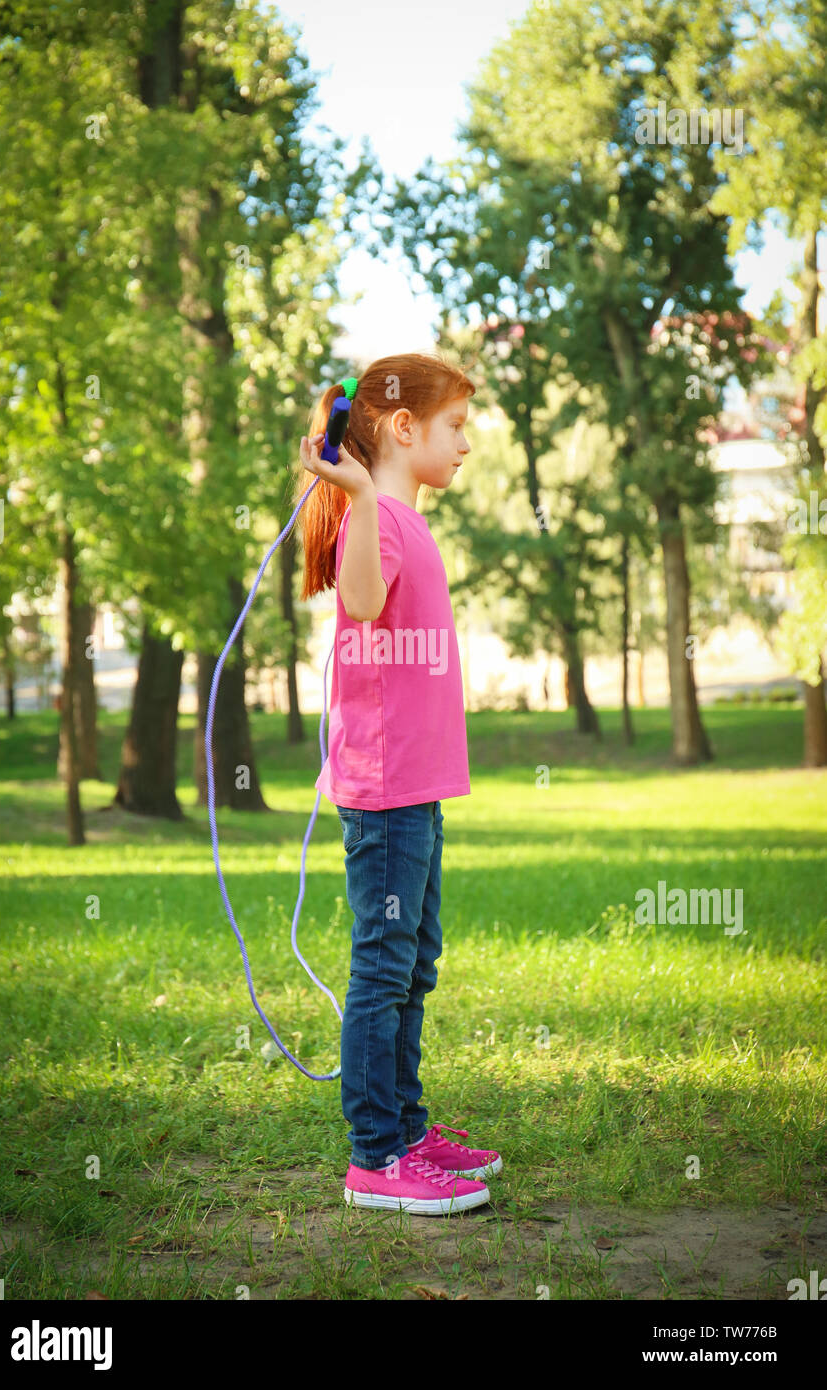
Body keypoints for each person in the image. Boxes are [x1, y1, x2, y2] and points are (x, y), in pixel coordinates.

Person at [295, 352, 503, 1216]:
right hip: (383, 788)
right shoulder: (374, 519)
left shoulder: (406, 523)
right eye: (455, 426)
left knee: (414, 961)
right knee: (384, 968)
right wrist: (362, 493)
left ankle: (409, 1132)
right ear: (403, 427)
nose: (467, 443)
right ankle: (376, 1156)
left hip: (413, 785)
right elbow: (366, 603)